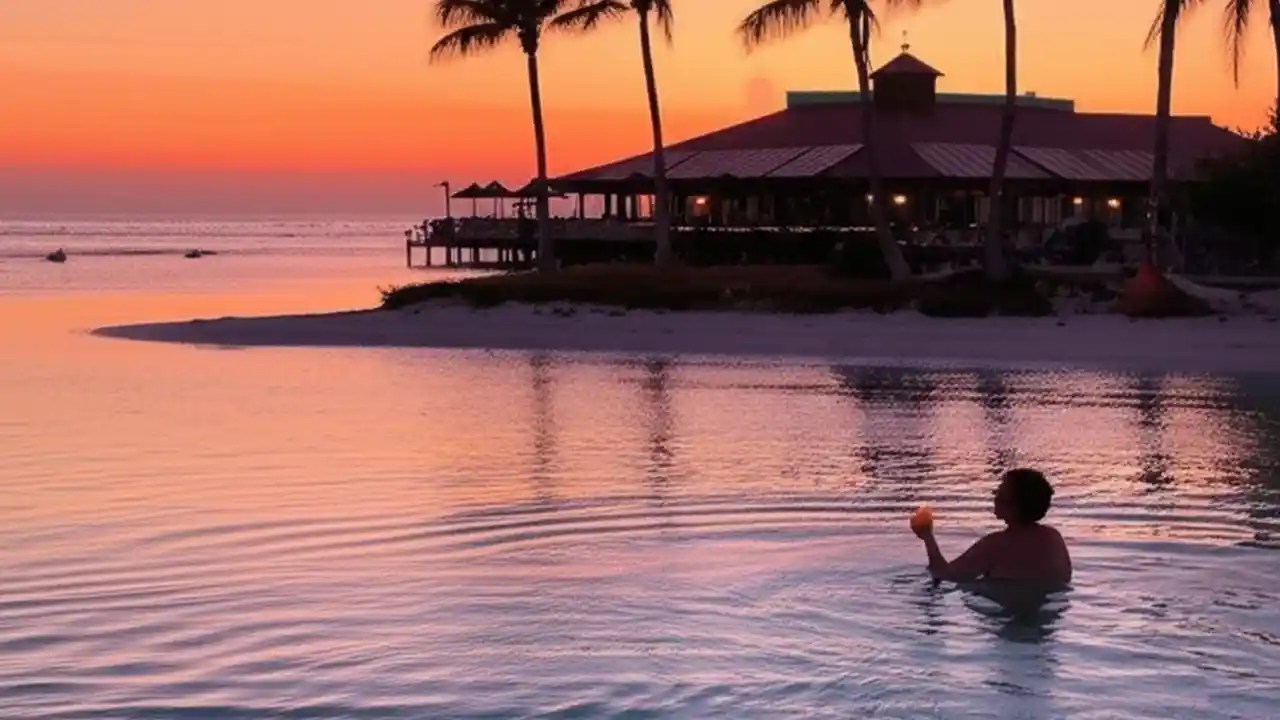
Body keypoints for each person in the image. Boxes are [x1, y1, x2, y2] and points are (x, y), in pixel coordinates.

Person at [912, 468, 1072, 585]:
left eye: (1001, 495)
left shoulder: (996, 544)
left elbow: (943, 574)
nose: (994, 498)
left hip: (1007, 611)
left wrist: (927, 536)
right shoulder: (1054, 538)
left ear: (1015, 507)